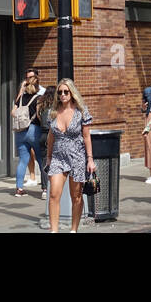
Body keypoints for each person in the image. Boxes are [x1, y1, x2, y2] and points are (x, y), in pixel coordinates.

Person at [44, 78, 95, 233]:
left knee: (76, 196)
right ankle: (54, 230)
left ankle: (74, 229)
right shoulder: (53, 112)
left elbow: (86, 137)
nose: (63, 95)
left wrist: (90, 159)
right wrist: (48, 157)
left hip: (77, 156)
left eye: (66, 92)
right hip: (58, 156)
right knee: (54, 194)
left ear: (72, 93)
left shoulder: (81, 111)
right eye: (60, 92)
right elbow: (51, 137)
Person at [12, 69, 44, 196]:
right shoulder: (39, 98)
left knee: (23, 160)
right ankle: (45, 189)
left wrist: (21, 90)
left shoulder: (20, 99)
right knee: (41, 159)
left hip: (20, 132)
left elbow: (13, 113)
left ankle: (19, 189)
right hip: (34, 130)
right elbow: (40, 116)